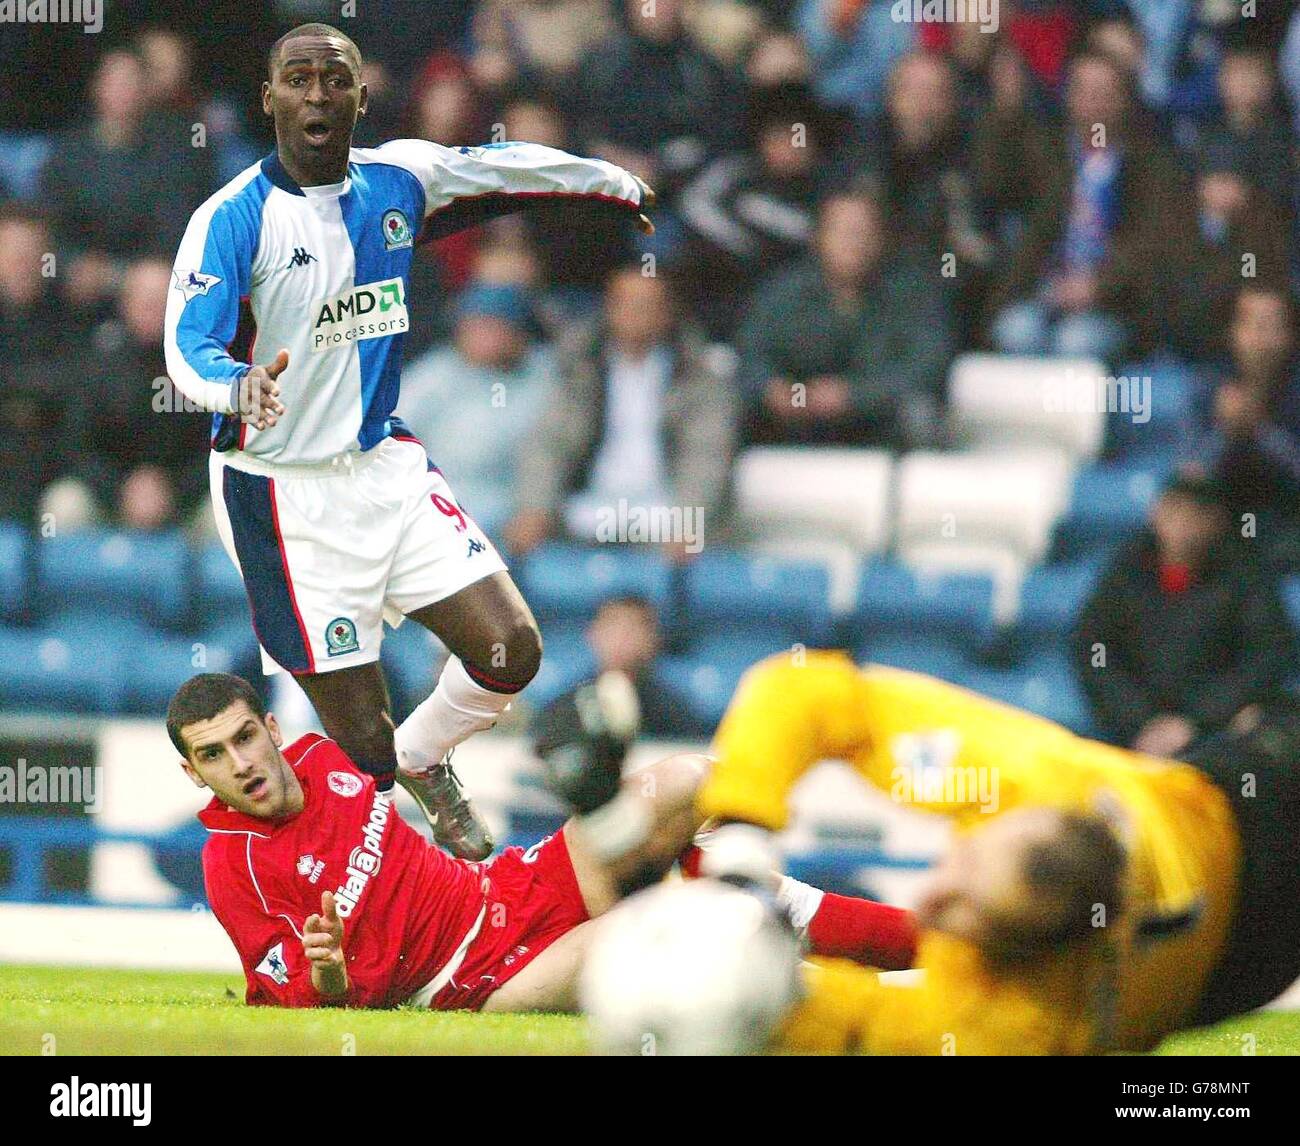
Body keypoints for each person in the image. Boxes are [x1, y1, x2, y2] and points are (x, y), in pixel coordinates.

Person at [161, 23, 656, 862]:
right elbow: (185, 344)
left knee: (512, 651)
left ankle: (429, 761)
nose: (317, 94)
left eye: (334, 79)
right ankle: (375, 910)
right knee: (363, 750)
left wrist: (609, 183)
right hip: (280, 494)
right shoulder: (233, 219)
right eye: (298, 79)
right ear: (269, 98)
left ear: (361, 96)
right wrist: (233, 383)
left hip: (383, 464)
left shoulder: (398, 181)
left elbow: (498, 172)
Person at [552, 651, 1300, 1054]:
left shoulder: (1016, 1030)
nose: (929, 899)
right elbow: (806, 690)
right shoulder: (1030, 783)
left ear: (1022, 954)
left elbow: (835, 1025)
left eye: (965, 909)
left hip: (1235, 935)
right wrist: (742, 844)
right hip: (1251, 828)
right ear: (1018, 819)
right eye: (963, 865)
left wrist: (747, 991)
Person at [169, 672, 915, 1012]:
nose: (240, 764)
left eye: (244, 737)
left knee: (688, 780)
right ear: (193, 771)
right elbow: (301, 999)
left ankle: (889, 937)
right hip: (467, 979)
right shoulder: (232, 864)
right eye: (213, 755)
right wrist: (329, 971)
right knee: (673, 924)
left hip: (507, 887)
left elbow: (420, 794)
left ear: (271, 729)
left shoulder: (324, 756)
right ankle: (917, 953)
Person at [504, 265, 737, 563]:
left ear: (668, 313)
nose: (632, 313)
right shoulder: (580, 368)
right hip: (586, 508)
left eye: (645, 306)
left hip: (665, 513)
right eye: (623, 303)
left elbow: (706, 455)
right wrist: (534, 507)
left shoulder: (700, 376)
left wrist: (688, 519)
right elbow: (548, 443)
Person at [1072, 475, 1296, 756]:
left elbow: (1265, 657)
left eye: (1196, 514)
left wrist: (1195, 721)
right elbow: (1093, 650)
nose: (1182, 525)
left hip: (1219, 738)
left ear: (1216, 520)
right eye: (1174, 511)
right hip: (1131, 734)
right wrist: (1141, 720)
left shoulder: (1245, 577)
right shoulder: (1125, 572)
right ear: (1157, 513)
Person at [736, 185, 951, 448]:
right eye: (841, 232)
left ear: (881, 239)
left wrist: (851, 396)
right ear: (819, 237)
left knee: (920, 413)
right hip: (796, 421)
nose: (853, 242)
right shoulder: (785, 290)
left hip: (878, 422)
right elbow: (752, 353)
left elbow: (928, 366)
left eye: (862, 232)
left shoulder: (912, 292)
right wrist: (775, 389)